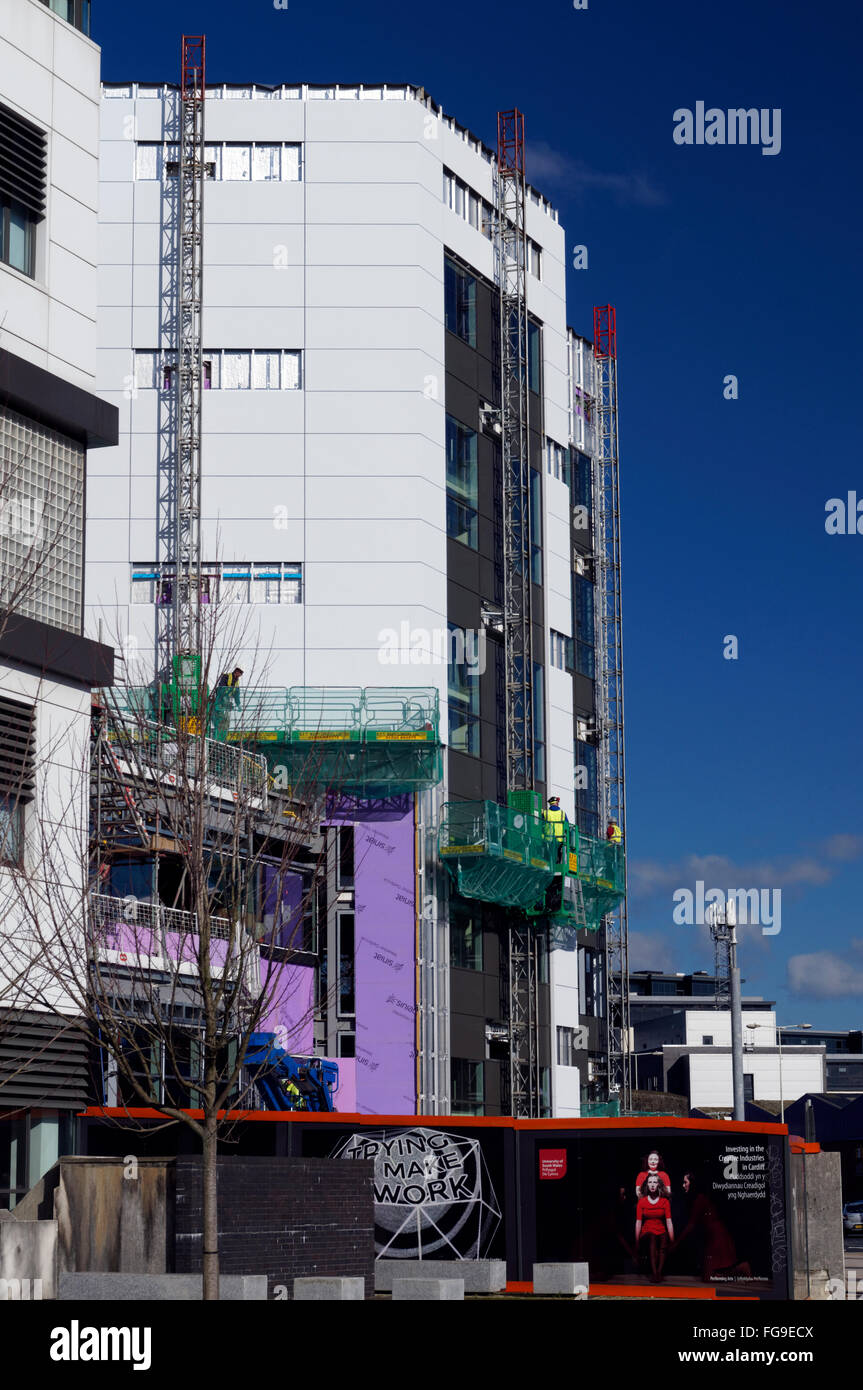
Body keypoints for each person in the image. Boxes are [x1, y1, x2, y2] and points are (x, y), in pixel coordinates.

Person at [673, 1172, 751, 1283]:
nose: (683, 1185)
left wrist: (676, 1242)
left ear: (693, 1183)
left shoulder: (700, 1198)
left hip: (716, 1236)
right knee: (708, 1278)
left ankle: (740, 1268)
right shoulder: (697, 1198)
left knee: (708, 1279)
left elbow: (691, 1224)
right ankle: (739, 1269)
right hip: (712, 1236)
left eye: (685, 1182)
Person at [635, 1172, 674, 1283]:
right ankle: (654, 1272)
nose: (652, 1184)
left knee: (663, 1238)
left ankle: (659, 1273)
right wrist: (636, 1241)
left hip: (660, 1229)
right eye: (650, 1182)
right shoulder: (641, 1202)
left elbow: (669, 1221)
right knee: (652, 1238)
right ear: (647, 1185)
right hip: (647, 1230)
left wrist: (672, 1240)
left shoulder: (664, 1201)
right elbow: (638, 1222)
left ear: (658, 1185)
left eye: (655, 1182)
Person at [542, 795, 568, 863]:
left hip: (548, 838)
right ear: (556, 803)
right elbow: (567, 826)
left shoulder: (545, 813)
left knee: (548, 858)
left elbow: (540, 825)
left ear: (550, 804)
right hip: (560, 839)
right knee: (558, 856)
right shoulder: (562, 813)